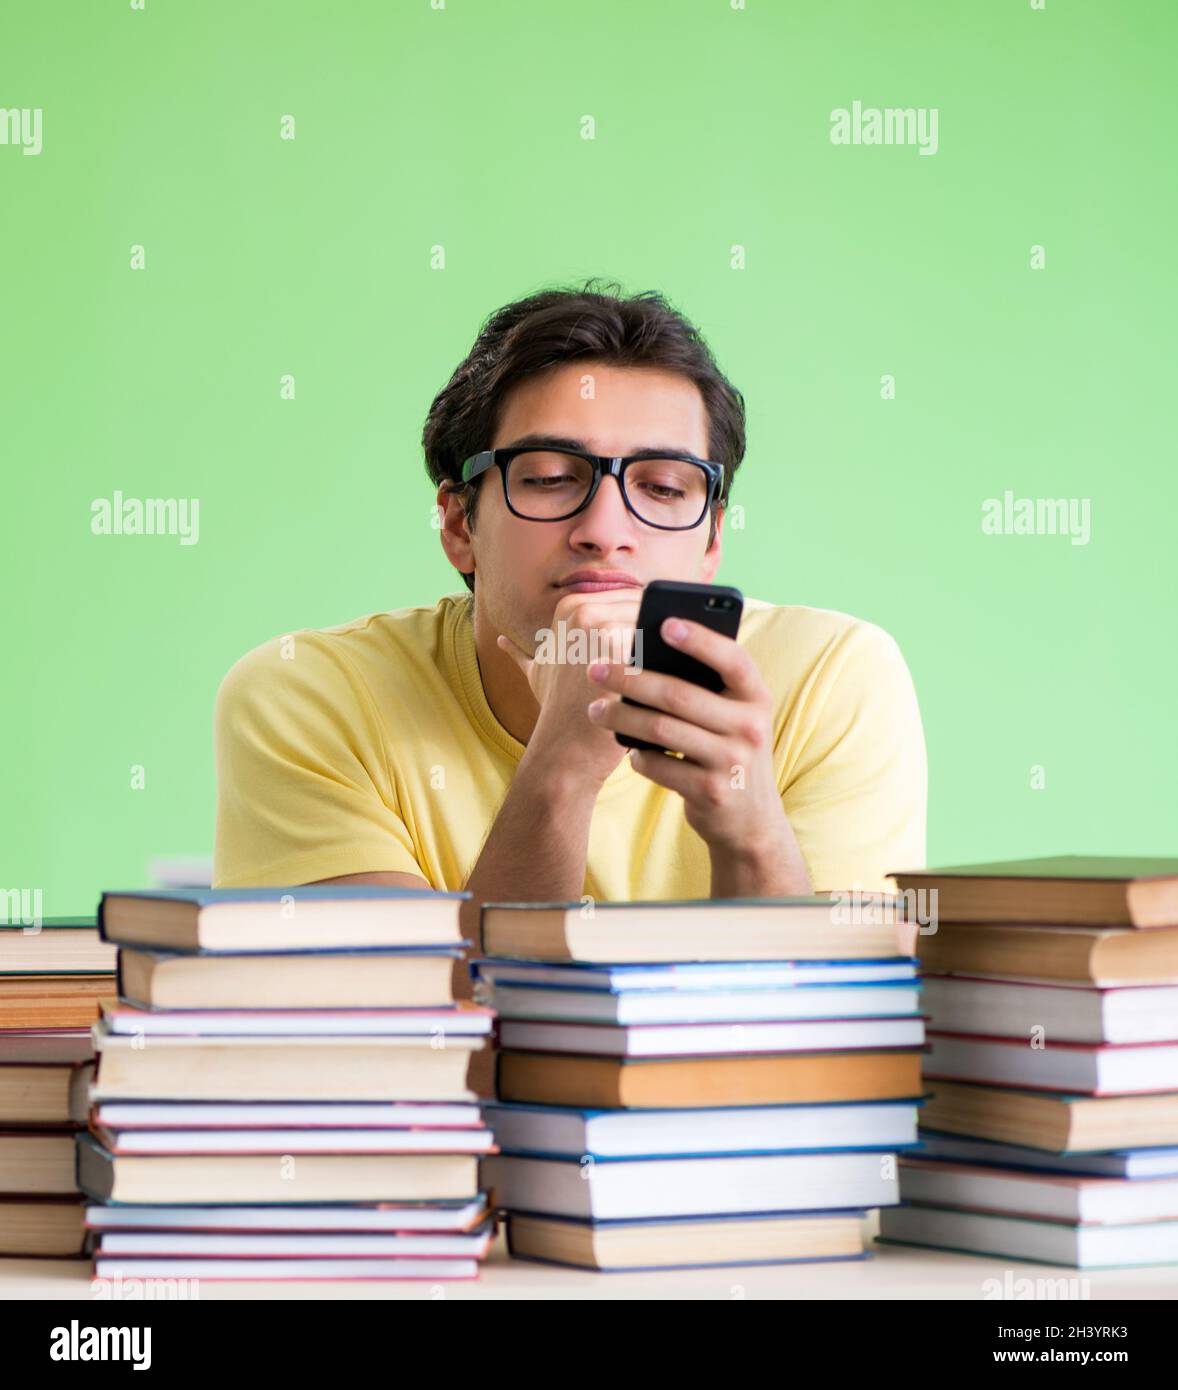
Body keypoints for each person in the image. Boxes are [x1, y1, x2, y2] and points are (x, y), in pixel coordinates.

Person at [213, 279, 927, 958]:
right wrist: (561, 765)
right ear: (459, 523)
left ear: (711, 540)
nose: (605, 528)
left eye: (664, 486)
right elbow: (406, 1032)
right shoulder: (305, 695)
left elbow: (826, 1040)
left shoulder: (834, 676)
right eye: (552, 478)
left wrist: (751, 840)